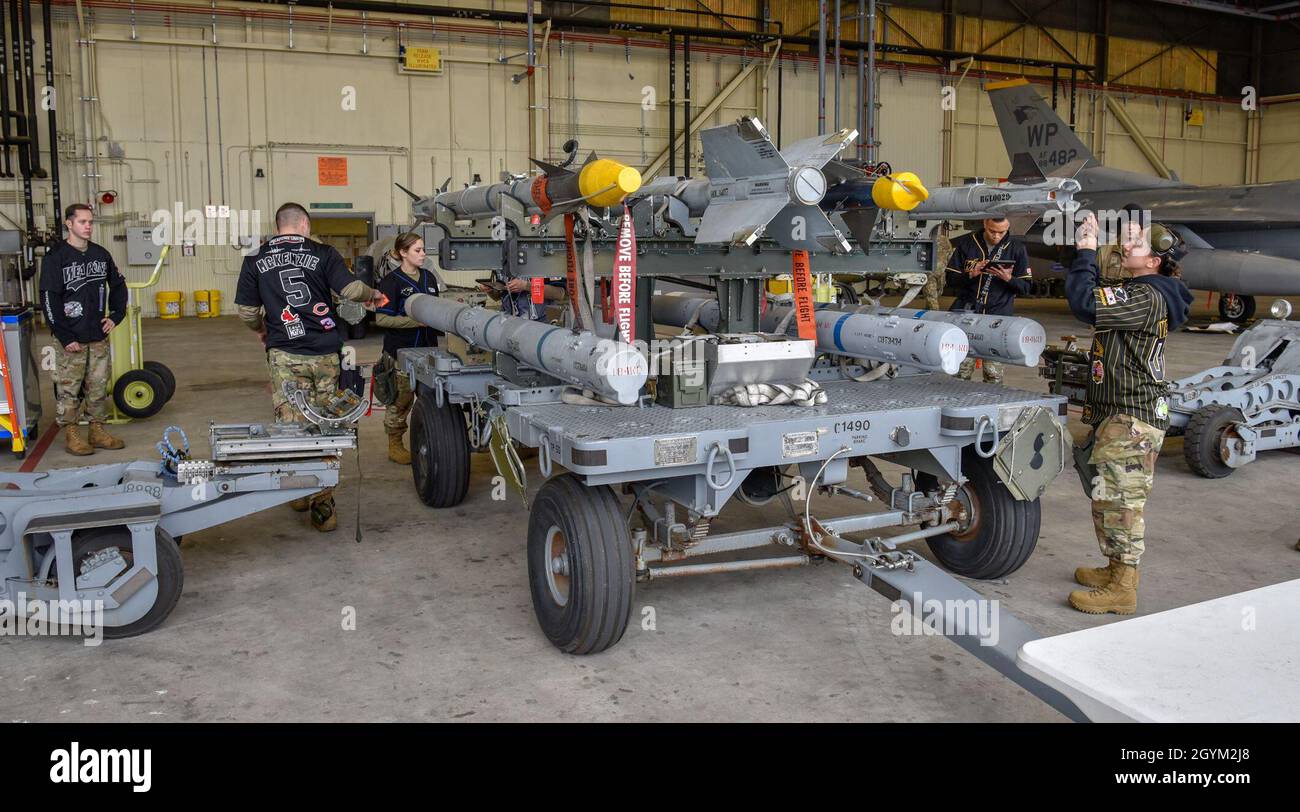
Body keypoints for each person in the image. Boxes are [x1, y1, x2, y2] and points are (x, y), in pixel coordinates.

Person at [1064, 210, 1193, 615]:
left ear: (1154, 261)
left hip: (1132, 418)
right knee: (1108, 496)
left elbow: (1085, 301)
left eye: (1136, 244)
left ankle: (1123, 588)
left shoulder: (1145, 297)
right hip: (1120, 413)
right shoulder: (1139, 290)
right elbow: (1102, 288)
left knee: (1123, 502)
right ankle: (1116, 569)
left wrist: (1085, 250)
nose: (1125, 245)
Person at [235, 202, 384, 531]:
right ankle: (324, 501)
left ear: (278, 226)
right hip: (325, 352)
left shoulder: (255, 258)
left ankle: (298, 490)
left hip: (285, 354)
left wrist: (263, 328)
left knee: (291, 424)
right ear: (304, 224)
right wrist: (373, 294)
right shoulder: (324, 253)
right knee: (327, 422)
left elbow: (247, 312)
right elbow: (351, 290)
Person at [39, 203, 128, 456]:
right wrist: (64, 335)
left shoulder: (101, 254)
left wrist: (116, 316)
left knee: (98, 385)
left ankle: (97, 431)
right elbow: (49, 298)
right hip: (71, 337)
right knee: (69, 388)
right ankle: (72, 434)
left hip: (98, 335)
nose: (88, 226)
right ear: (69, 224)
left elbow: (119, 285)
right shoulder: (56, 257)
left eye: (90, 222)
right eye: (82, 222)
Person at [374, 233, 440, 464]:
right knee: (401, 400)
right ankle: (395, 444)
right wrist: (415, 321)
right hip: (400, 353)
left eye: (423, 250)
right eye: (417, 250)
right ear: (403, 252)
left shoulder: (429, 279)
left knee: (430, 399)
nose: (423, 255)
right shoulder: (390, 283)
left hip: (429, 351)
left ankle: (427, 441)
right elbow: (382, 319)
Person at [944, 216, 1032, 383]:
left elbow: (1026, 287)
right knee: (960, 374)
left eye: (1001, 232)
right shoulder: (967, 244)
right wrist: (971, 274)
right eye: (992, 231)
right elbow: (950, 281)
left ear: (1008, 227)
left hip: (997, 319)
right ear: (985, 224)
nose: (996, 236)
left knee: (994, 376)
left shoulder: (1016, 248)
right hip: (967, 315)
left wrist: (1009, 278)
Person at [921, 222, 953, 311]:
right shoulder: (925, 239)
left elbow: (950, 255)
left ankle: (928, 311)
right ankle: (934, 314)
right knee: (931, 296)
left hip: (941, 273)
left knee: (937, 293)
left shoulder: (945, 240)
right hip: (929, 273)